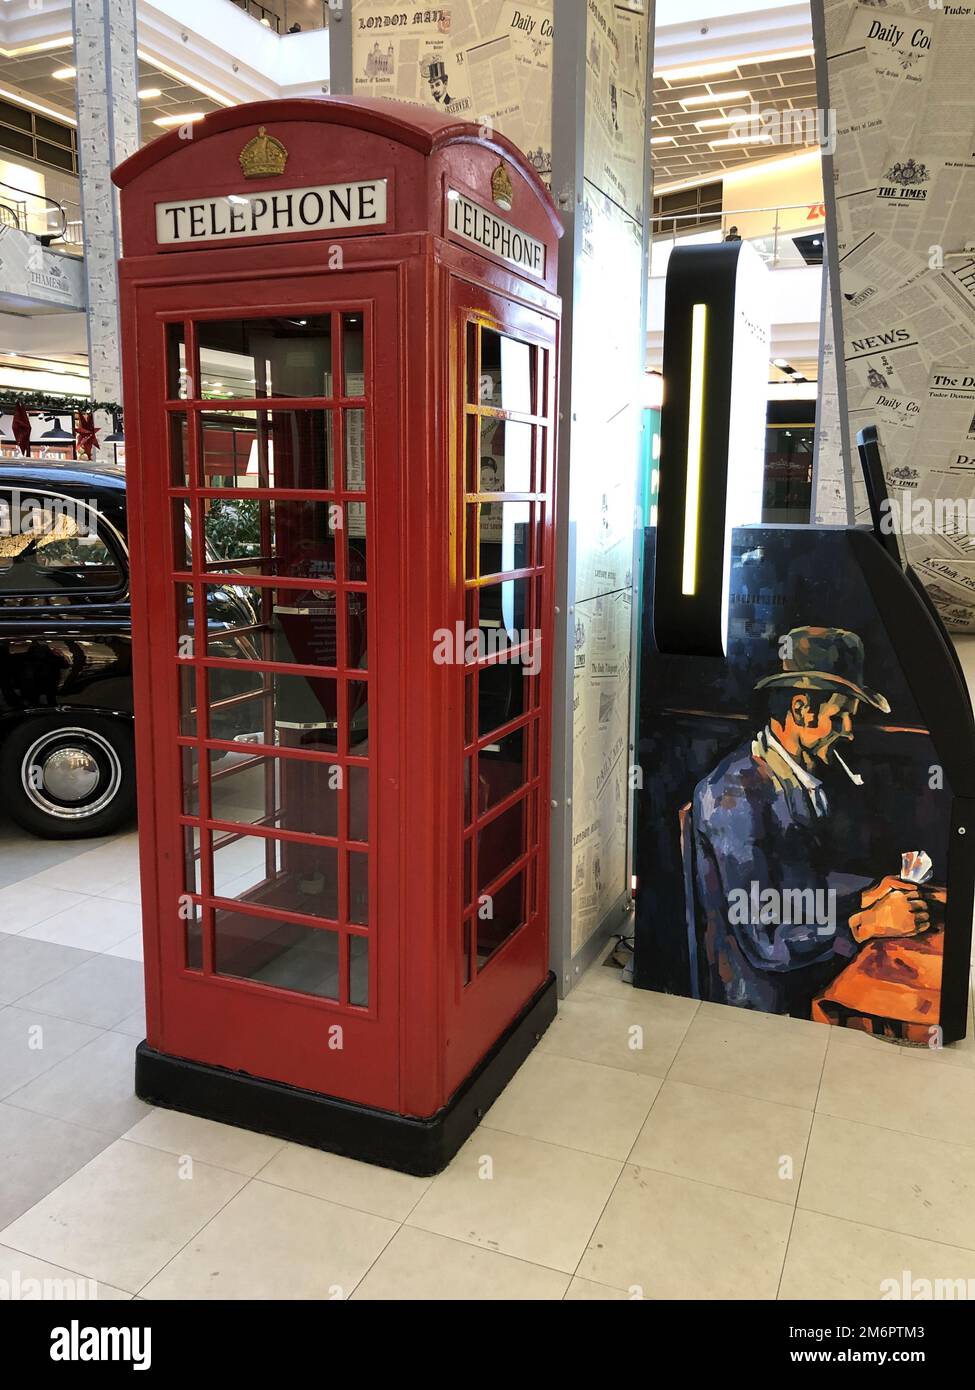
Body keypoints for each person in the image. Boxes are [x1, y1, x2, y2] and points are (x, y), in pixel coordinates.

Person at [690, 627, 931, 1017]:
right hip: (766, 1004)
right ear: (802, 709)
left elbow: (799, 887)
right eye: (840, 718)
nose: (849, 733)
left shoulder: (799, 774)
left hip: (809, 977)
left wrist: (864, 896)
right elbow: (767, 941)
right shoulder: (731, 796)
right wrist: (863, 924)